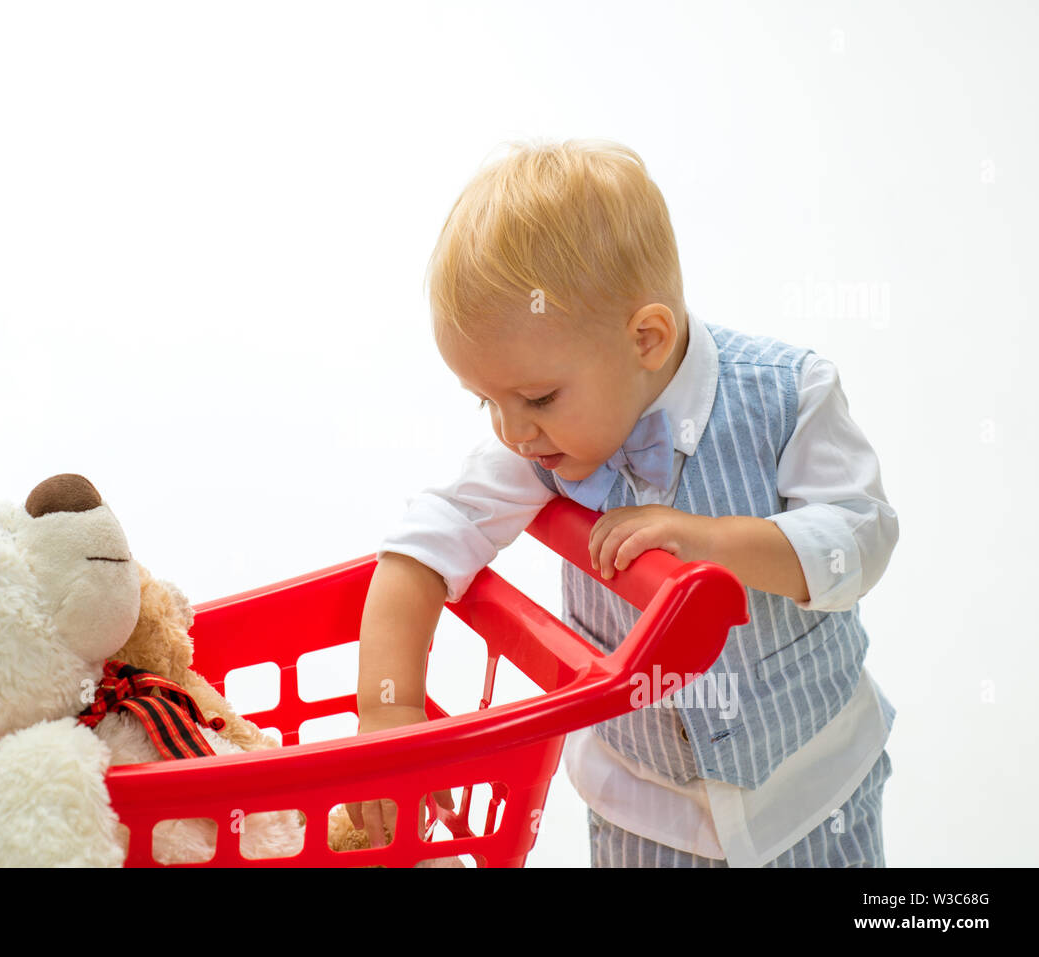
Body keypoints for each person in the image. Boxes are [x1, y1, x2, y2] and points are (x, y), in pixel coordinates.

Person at [346, 139, 898, 866]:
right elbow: (424, 544)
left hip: (813, 789)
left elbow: (861, 537)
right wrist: (389, 714)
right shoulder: (537, 443)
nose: (511, 431)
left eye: (537, 397)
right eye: (486, 401)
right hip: (645, 811)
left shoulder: (790, 393)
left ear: (646, 337)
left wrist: (715, 542)